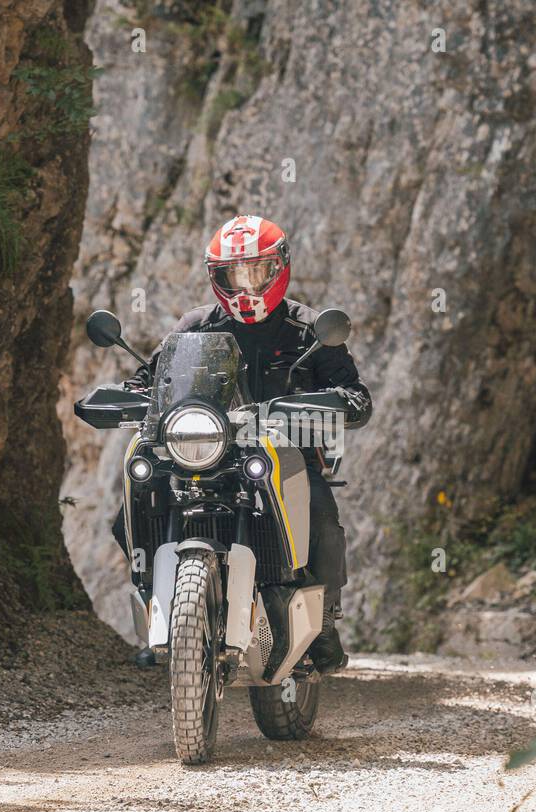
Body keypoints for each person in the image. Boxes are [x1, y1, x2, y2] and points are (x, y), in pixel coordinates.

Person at [113, 214, 372, 673]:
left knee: (322, 520)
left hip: (284, 456)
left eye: (257, 270)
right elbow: (150, 379)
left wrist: (338, 402)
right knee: (129, 511)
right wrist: (130, 396)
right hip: (205, 454)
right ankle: (159, 610)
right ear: (217, 276)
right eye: (233, 274)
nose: (245, 284)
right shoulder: (195, 325)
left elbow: (355, 395)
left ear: (279, 268)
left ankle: (325, 620)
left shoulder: (308, 328)